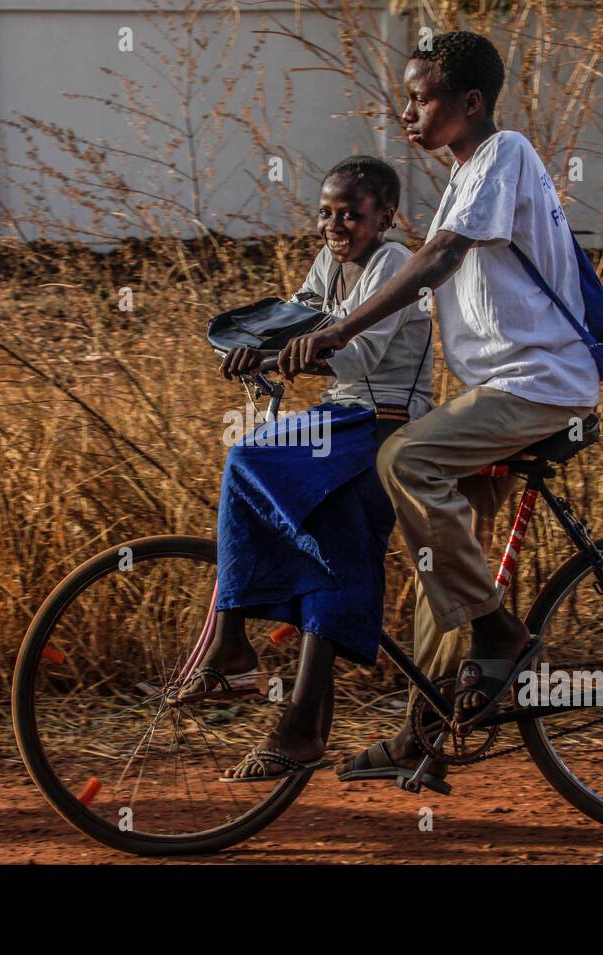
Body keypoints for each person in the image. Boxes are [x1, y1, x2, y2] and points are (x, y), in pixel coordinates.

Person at [278, 31, 599, 791]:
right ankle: (428, 731)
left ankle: (504, 634)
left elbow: (438, 260)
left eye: (422, 98)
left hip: (539, 385)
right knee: (437, 564)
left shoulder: (503, 154)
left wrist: (339, 331)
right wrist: (276, 341)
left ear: (470, 103)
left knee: (405, 459)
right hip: (498, 392)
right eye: (408, 97)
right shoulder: (464, 177)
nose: (407, 113)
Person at [172, 156, 435, 783]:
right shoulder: (330, 263)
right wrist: (254, 349)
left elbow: (358, 355)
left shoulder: (393, 265)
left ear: (384, 217)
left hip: (382, 421)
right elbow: (295, 316)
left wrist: (304, 353)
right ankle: (301, 730)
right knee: (331, 555)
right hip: (345, 421)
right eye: (326, 213)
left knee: (246, 458)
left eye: (351, 214)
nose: (335, 225)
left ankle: (232, 645)